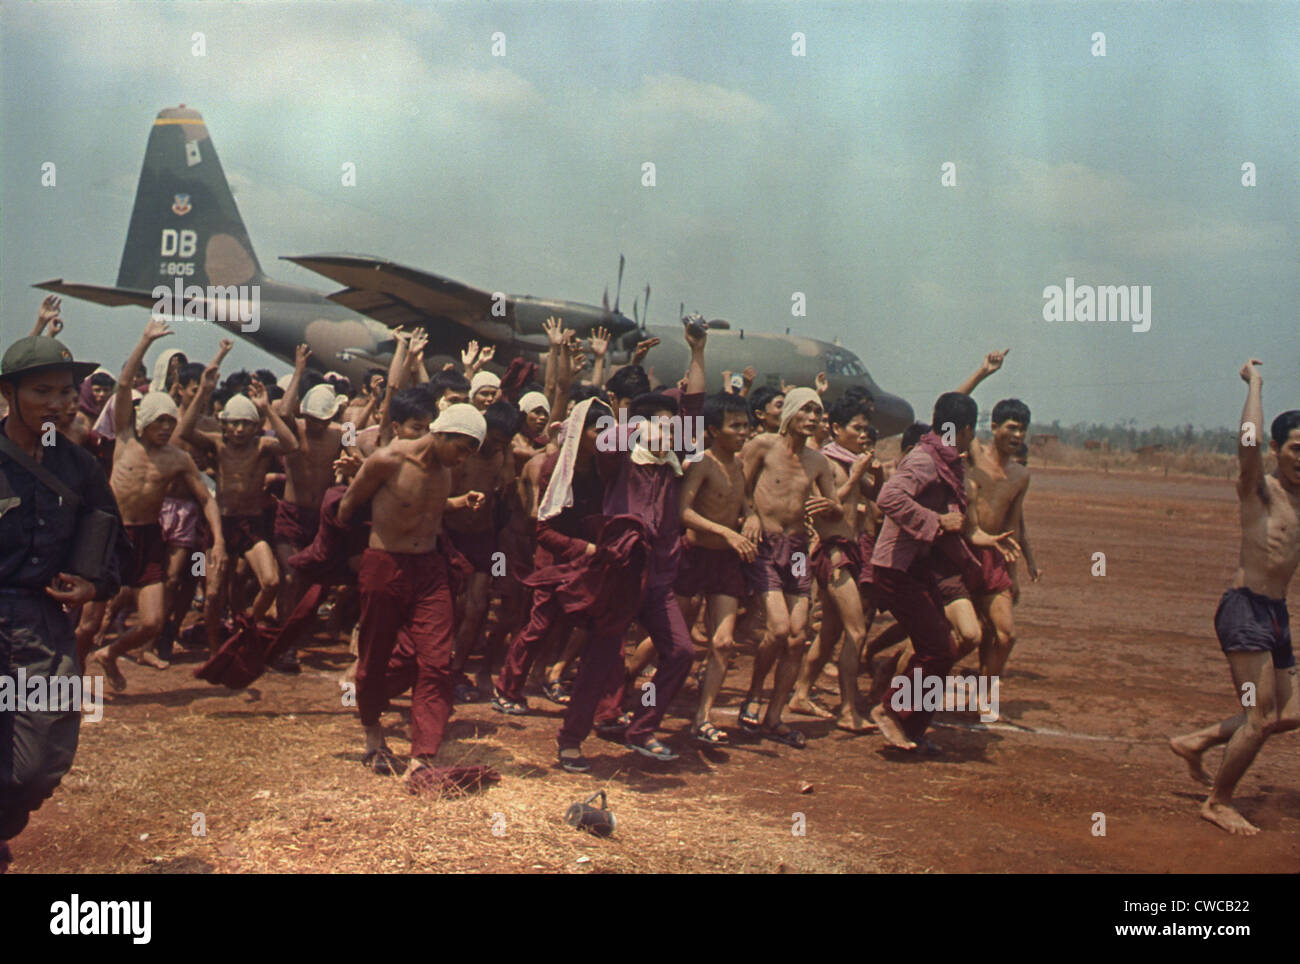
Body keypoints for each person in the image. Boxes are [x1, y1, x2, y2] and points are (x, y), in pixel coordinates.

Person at [553, 318, 708, 770]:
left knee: (681, 652)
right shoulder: (618, 458)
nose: (666, 432)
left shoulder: (673, 467)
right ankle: (570, 739)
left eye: (670, 425)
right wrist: (632, 417)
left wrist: (697, 351)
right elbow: (612, 433)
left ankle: (641, 727)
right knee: (600, 662)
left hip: (658, 580)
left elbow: (695, 406)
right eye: (656, 425)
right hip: (619, 578)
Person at [0, 332, 125, 872]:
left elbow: (117, 541)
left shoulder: (79, 468)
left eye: (66, 392)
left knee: (40, 764)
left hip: (41, 624)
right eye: (42, 391)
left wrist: (95, 586)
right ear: (9, 394)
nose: (57, 403)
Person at [338, 402, 497, 793]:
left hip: (427, 570)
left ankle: (421, 757)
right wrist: (351, 554)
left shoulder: (446, 472)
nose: (462, 460)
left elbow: (424, 504)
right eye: (460, 448)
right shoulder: (387, 459)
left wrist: (456, 503)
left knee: (437, 661)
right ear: (440, 434)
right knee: (374, 656)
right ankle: (374, 737)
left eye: (469, 453)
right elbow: (348, 505)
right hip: (384, 565)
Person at [1169, 361, 1300, 835]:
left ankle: (1199, 740)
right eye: (1296, 449)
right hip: (1244, 608)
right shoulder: (1259, 490)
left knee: (1291, 713)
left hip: (1277, 613)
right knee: (1261, 717)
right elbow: (1246, 443)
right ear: (1276, 449)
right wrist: (1257, 384)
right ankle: (1218, 802)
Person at [869, 393, 1017, 752]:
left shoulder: (948, 461)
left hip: (919, 567)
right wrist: (936, 521)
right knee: (936, 649)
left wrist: (984, 538)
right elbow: (889, 498)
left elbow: (959, 523)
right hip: (896, 567)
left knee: (943, 649)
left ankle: (914, 729)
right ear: (964, 430)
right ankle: (890, 711)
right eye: (971, 431)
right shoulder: (924, 460)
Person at [85, 320, 225, 689]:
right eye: (159, 421)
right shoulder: (126, 439)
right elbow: (125, 384)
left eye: (170, 422)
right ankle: (68, 684)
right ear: (144, 421)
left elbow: (206, 499)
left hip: (148, 537)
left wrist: (220, 541)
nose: (165, 428)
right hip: (110, 534)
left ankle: (111, 654)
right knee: (87, 622)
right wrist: (144, 339)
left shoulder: (177, 459)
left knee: (152, 622)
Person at [736, 388, 842, 747]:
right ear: (791, 413)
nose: (813, 418)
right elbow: (740, 486)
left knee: (797, 638)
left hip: (797, 549)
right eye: (806, 410)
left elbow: (837, 507)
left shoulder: (818, 461)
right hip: (766, 544)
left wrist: (827, 505)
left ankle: (775, 716)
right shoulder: (763, 445)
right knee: (778, 629)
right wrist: (749, 515)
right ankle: (753, 695)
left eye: (818, 412)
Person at [179, 345, 299, 651]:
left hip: (251, 523)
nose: (240, 429)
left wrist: (267, 407)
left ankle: (242, 627)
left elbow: (291, 444)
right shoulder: (218, 445)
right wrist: (204, 391)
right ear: (224, 425)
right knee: (213, 592)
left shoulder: (262, 446)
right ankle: (215, 645)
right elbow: (185, 430)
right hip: (221, 524)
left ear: (256, 426)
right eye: (234, 423)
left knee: (270, 582)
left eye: (246, 423)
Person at [791, 395, 881, 732]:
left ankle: (800, 693)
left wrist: (876, 475)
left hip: (851, 551)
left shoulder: (853, 461)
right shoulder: (825, 461)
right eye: (856, 428)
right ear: (836, 428)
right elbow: (822, 506)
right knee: (856, 631)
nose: (862, 434)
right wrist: (854, 476)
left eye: (865, 429)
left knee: (830, 633)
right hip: (833, 552)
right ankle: (847, 710)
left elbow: (878, 501)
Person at [954, 349, 1040, 679]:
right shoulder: (973, 455)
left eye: (1023, 430)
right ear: (993, 427)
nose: (1018, 436)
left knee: (1005, 635)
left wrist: (1015, 573)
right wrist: (983, 372)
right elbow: (950, 409)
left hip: (993, 559)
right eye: (1012, 428)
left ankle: (984, 694)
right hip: (960, 552)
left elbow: (1013, 525)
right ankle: (903, 683)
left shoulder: (1021, 475)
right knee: (961, 636)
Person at [678, 392, 755, 745]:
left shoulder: (739, 466)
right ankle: (626, 682)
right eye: (735, 426)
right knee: (671, 638)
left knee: (723, 643)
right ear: (713, 430)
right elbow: (684, 511)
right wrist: (726, 530)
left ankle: (702, 718)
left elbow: (746, 502)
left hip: (725, 562)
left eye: (746, 425)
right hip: (694, 558)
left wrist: (752, 518)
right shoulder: (702, 462)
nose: (743, 431)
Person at [270, 345, 344, 673]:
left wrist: (353, 460)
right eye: (311, 418)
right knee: (289, 576)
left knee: (313, 581)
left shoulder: (340, 434)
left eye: (321, 420)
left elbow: (359, 439)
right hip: (291, 512)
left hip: (320, 519)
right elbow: (283, 412)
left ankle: (295, 632)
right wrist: (298, 370)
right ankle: (285, 646)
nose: (314, 425)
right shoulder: (296, 428)